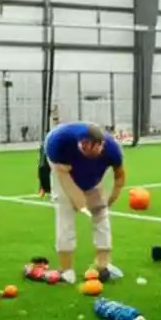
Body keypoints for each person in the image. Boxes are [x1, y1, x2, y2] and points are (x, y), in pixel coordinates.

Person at [44, 122, 126, 284]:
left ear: (101, 144)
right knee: (64, 214)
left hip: (93, 178)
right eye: (83, 146)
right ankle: (66, 271)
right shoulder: (58, 141)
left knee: (101, 215)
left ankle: (103, 265)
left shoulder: (112, 149)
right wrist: (78, 200)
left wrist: (109, 200)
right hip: (63, 171)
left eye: (91, 147)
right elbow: (63, 176)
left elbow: (119, 177)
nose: (86, 149)